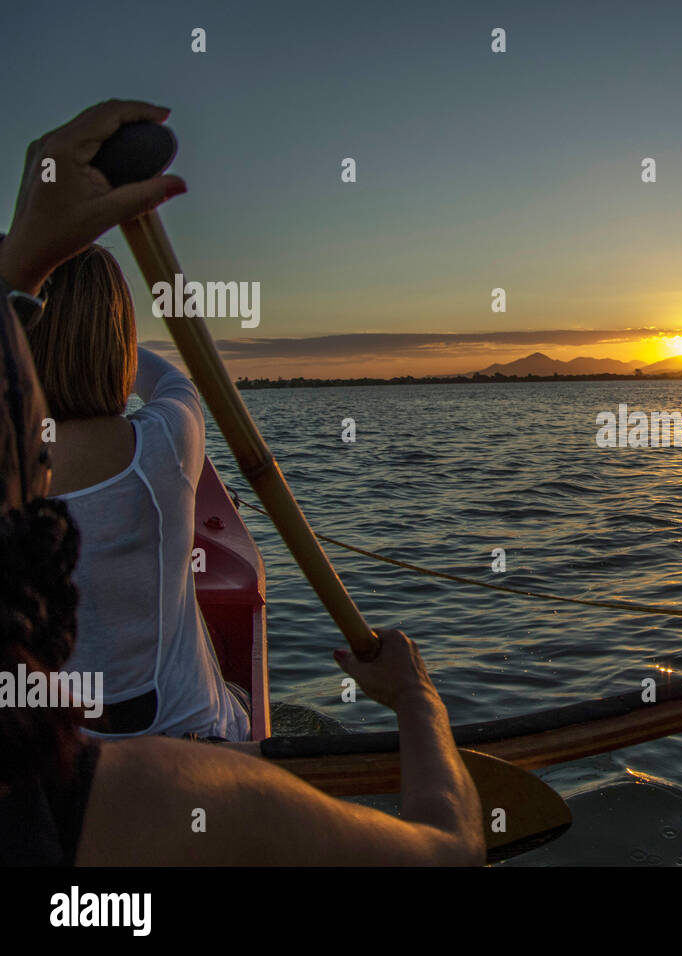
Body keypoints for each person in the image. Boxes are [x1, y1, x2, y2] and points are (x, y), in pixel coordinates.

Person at [0, 100, 484, 865]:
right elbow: (449, 855)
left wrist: (19, 281)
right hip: (193, 740)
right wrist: (417, 698)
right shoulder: (165, 440)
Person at [22, 241, 248, 739]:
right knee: (237, 698)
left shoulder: (12, 470)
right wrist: (103, 334)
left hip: (61, 752)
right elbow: (169, 379)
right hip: (190, 738)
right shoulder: (168, 438)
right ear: (120, 337)